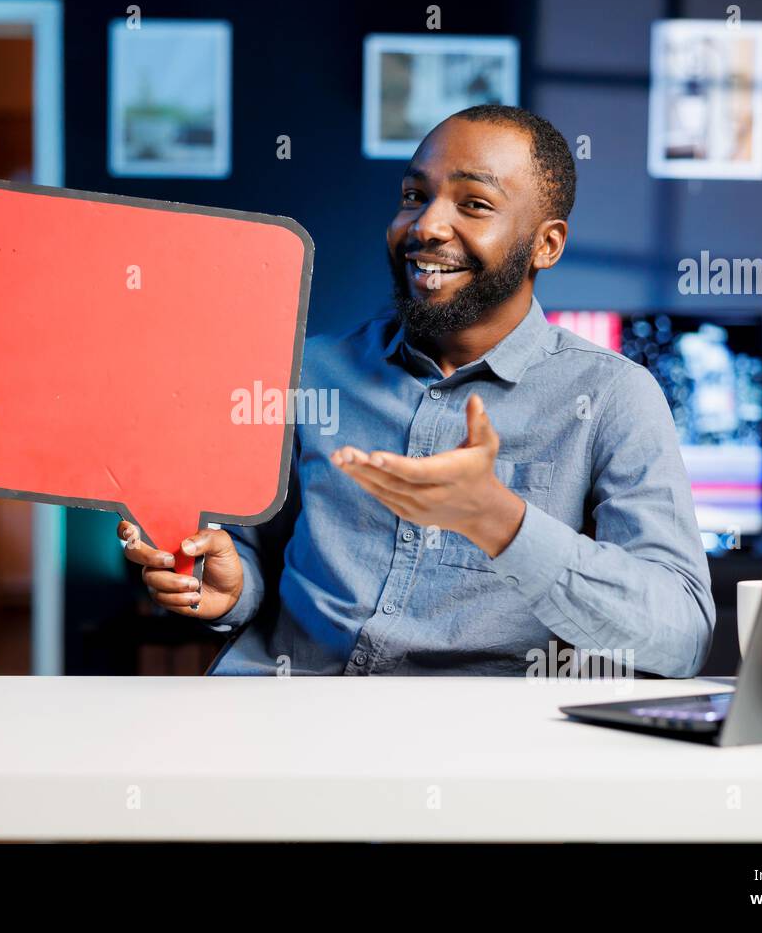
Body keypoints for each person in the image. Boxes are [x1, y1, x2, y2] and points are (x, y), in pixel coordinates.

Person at [117, 105, 715, 677]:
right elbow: (251, 554)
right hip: (284, 710)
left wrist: (500, 521)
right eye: (413, 196)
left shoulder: (613, 397)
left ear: (546, 244)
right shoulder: (307, 374)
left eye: (475, 203)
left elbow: (679, 636)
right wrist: (225, 586)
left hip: (473, 748)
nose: (426, 225)